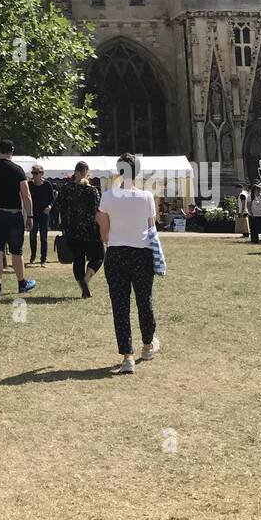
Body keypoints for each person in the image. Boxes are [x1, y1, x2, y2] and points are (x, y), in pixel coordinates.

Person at [97, 153, 159, 374]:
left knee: (120, 306)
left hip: (116, 253)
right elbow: (152, 229)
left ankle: (127, 356)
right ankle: (147, 345)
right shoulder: (147, 197)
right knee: (145, 300)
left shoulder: (107, 197)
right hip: (142, 254)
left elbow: (104, 233)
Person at [0, 140, 36, 298]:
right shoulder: (17, 170)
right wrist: (29, 215)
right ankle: (21, 283)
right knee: (17, 251)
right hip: (13, 213)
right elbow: (26, 195)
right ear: (12, 151)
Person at [58, 161, 105, 297]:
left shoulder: (66, 189)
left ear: (75, 172)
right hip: (91, 231)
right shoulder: (92, 190)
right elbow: (98, 211)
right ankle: (85, 280)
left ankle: (83, 285)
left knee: (78, 259)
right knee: (99, 257)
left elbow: (59, 207)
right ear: (87, 173)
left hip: (72, 231)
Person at [28, 165, 54, 267]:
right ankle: (33, 256)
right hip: (33, 214)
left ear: (42, 173)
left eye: (36, 173)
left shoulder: (47, 185)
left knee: (44, 237)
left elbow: (52, 199)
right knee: (32, 236)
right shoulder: (29, 184)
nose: (34, 175)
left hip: (44, 214)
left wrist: (49, 206)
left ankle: (43, 259)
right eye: (33, 173)